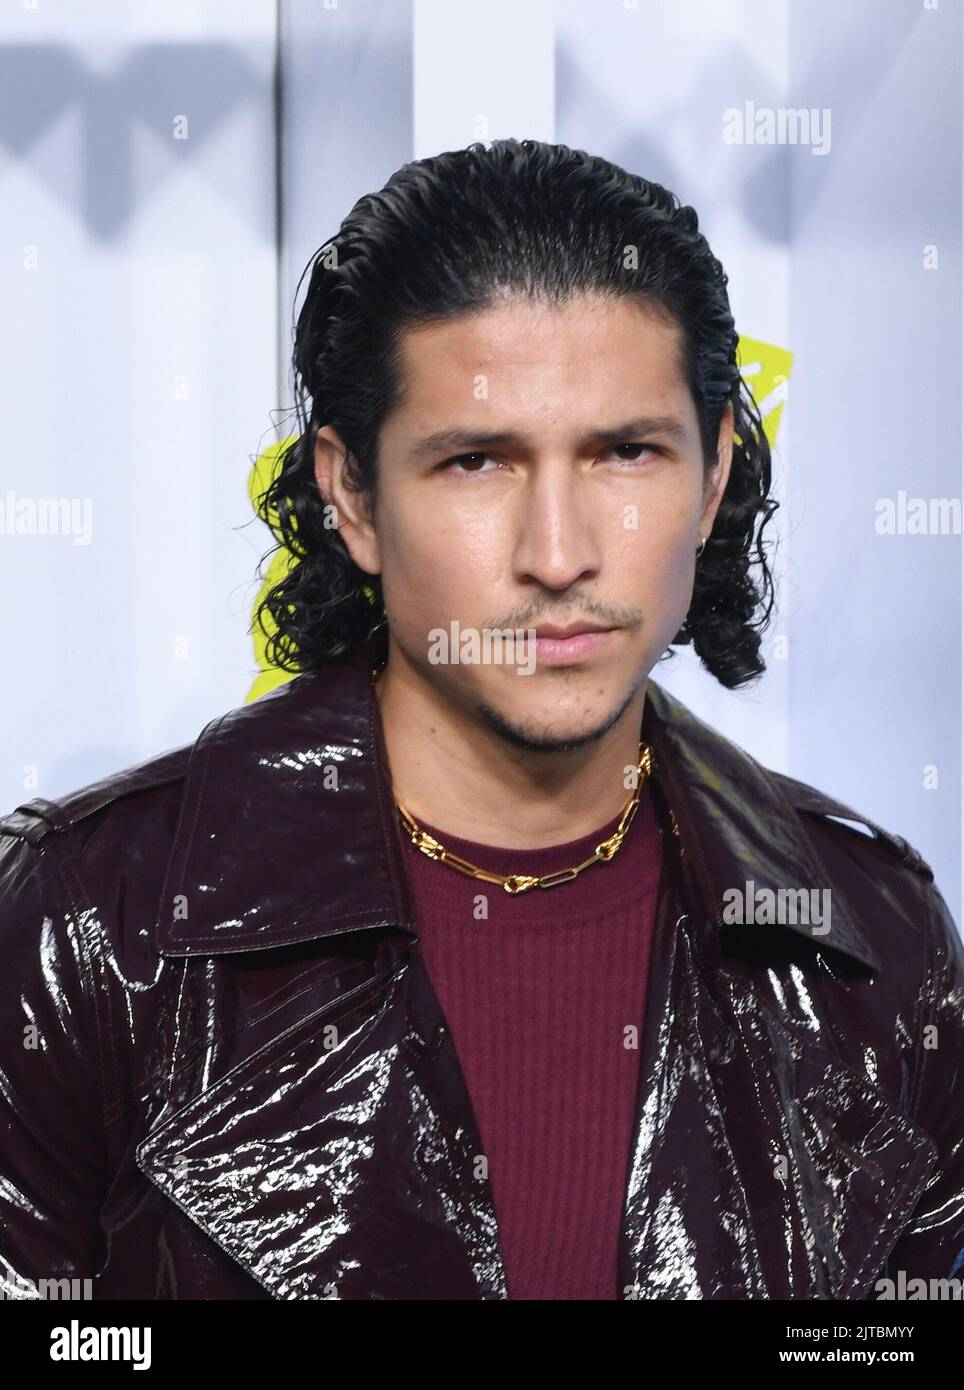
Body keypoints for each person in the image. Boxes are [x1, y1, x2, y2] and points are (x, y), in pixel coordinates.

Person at [1, 139, 961, 1302]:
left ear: (711, 478)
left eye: (625, 452)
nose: (558, 555)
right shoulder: (88, 924)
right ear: (352, 496)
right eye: (475, 464)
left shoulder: (871, 940)